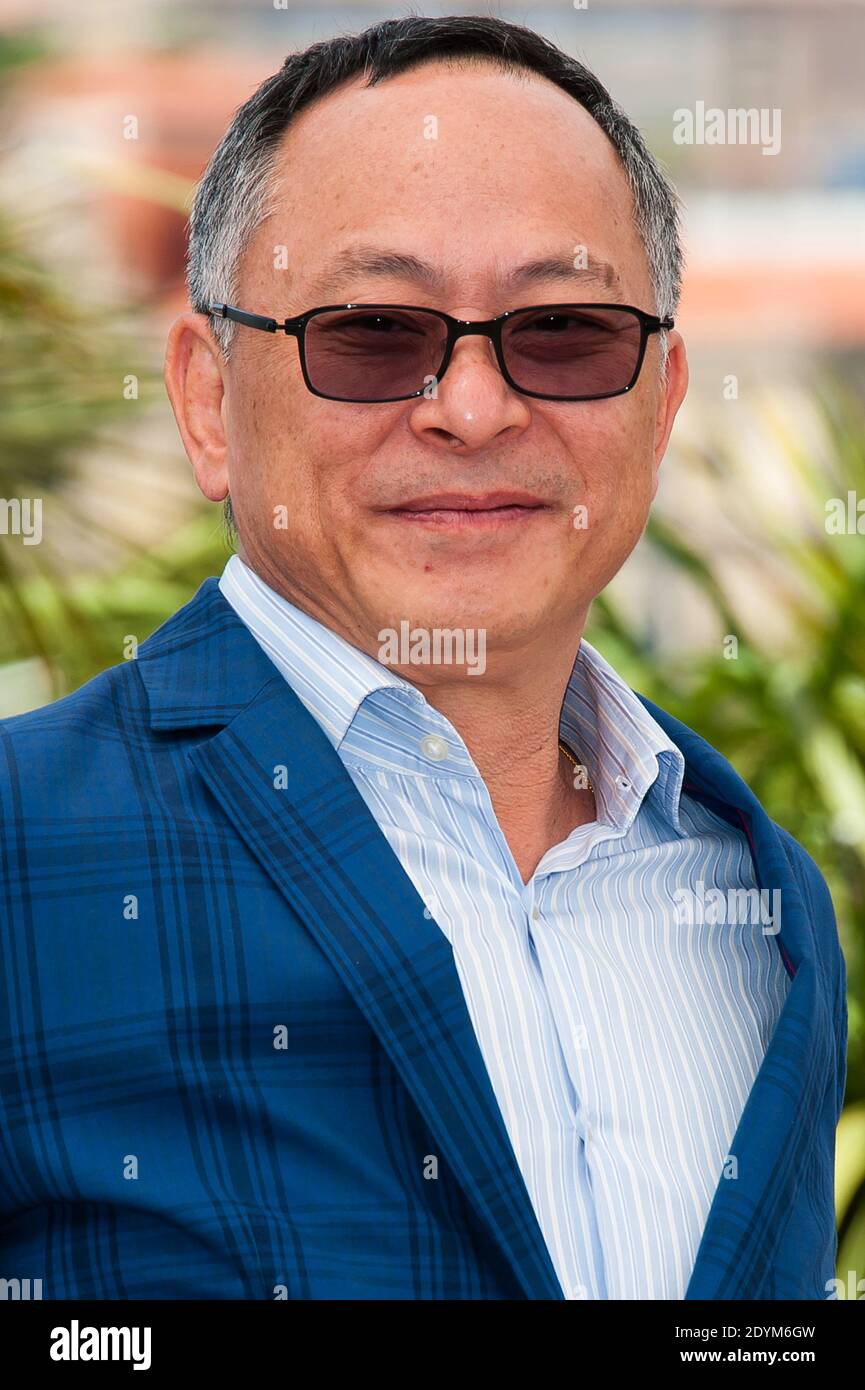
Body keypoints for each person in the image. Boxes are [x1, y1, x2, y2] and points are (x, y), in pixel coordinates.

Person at [0, 14, 846, 1300]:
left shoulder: (760, 903)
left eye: (562, 330)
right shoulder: (23, 850)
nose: (471, 407)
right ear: (205, 401)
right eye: (371, 333)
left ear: (663, 401)